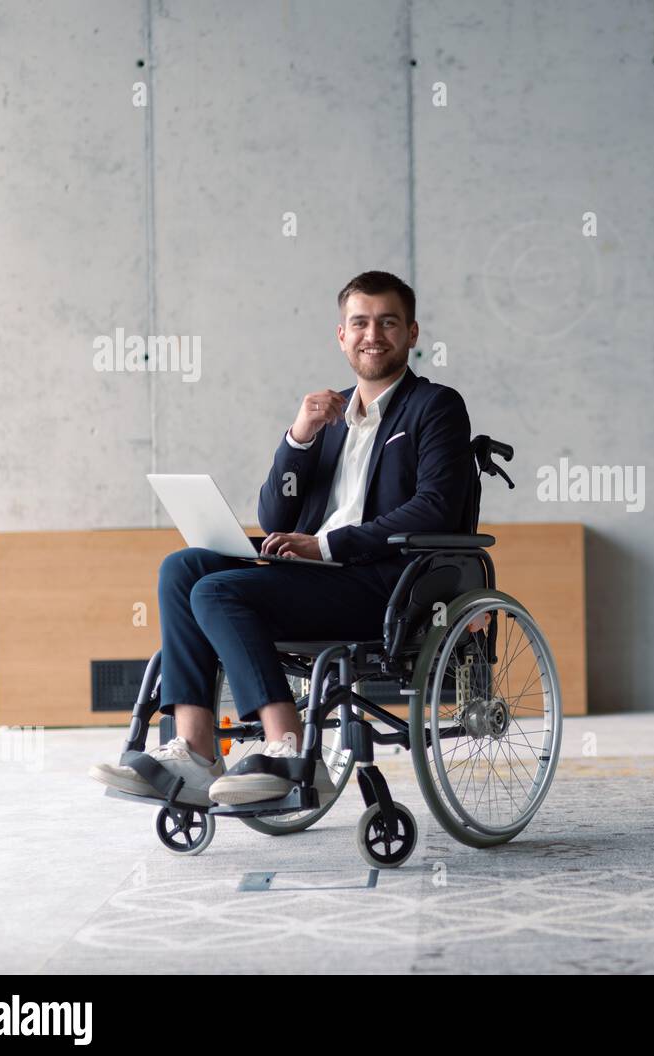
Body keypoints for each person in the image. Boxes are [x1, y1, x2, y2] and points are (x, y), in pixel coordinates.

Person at [90, 270, 473, 806]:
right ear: (341, 336)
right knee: (183, 568)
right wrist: (299, 437)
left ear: (411, 333)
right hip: (312, 577)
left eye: (388, 323)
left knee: (216, 592)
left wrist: (328, 546)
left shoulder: (436, 407)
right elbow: (274, 515)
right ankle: (197, 750)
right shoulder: (329, 414)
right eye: (359, 323)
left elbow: (434, 509)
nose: (373, 335)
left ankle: (289, 744)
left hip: (385, 585)